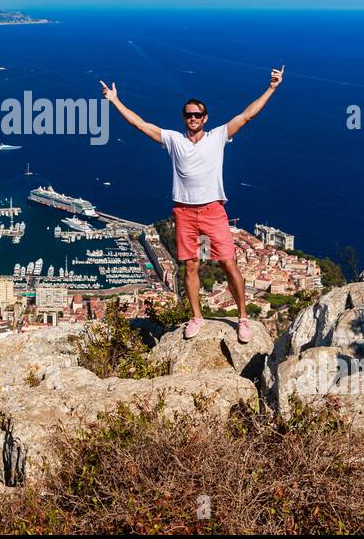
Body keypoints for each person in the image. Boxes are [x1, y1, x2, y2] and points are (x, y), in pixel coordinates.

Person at [100, 67, 285, 342]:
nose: (193, 118)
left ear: (205, 118)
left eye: (198, 115)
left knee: (228, 262)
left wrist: (271, 88)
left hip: (213, 210)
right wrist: (115, 101)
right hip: (184, 211)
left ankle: (243, 318)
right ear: (184, 118)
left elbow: (247, 115)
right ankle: (197, 317)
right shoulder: (174, 140)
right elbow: (140, 124)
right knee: (190, 266)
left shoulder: (218, 136)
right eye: (189, 115)